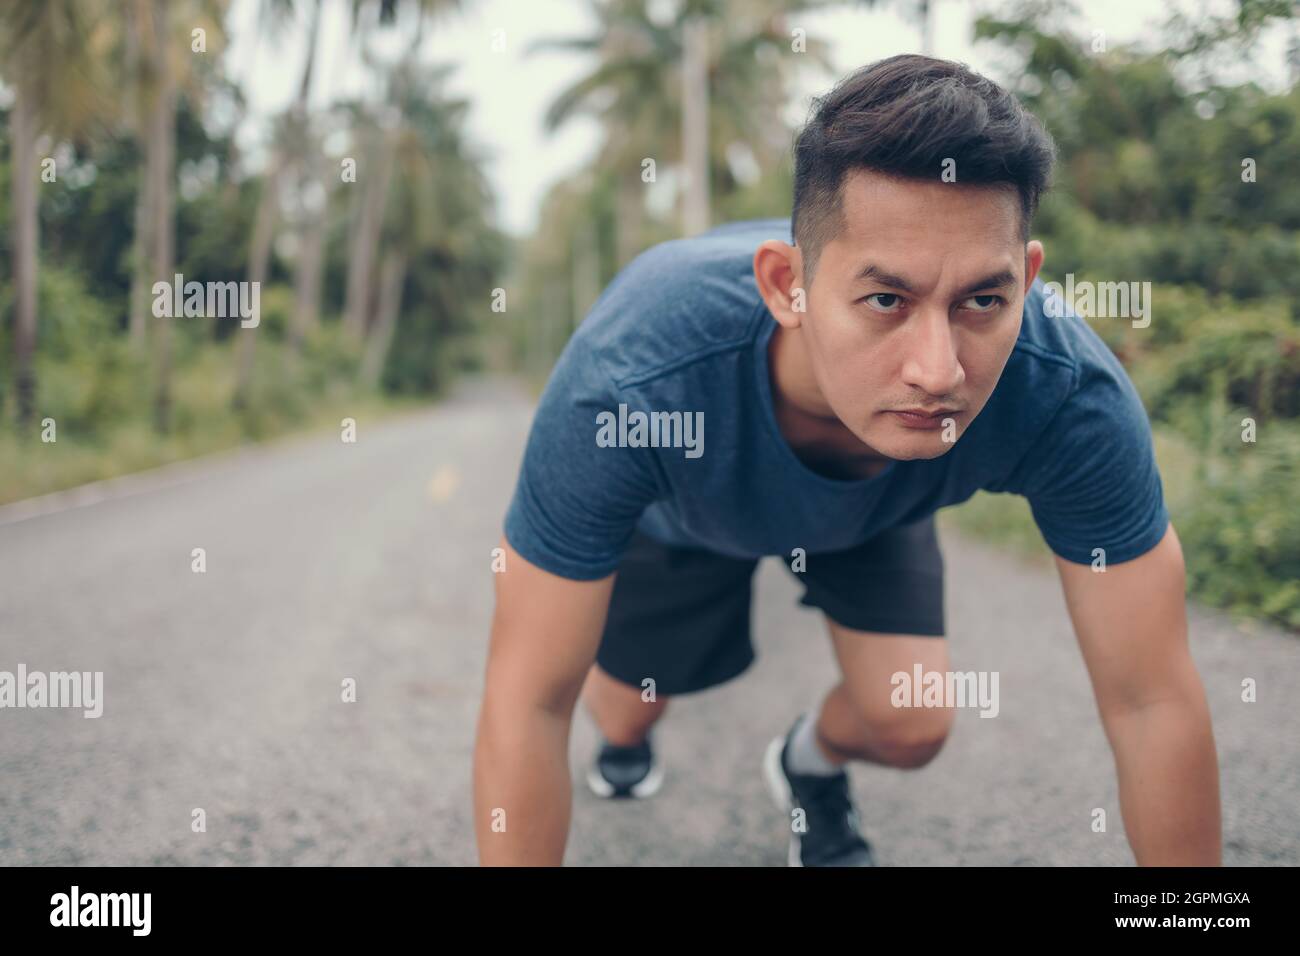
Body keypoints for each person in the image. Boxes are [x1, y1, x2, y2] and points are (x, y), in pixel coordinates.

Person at [473, 54, 1221, 867]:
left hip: (874, 510)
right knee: (620, 714)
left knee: (914, 720)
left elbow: (1152, 702)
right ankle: (628, 731)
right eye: (885, 300)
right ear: (786, 284)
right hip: (685, 510)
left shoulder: (1066, 395)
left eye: (982, 300)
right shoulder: (631, 382)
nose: (938, 373)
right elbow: (529, 702)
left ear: (1029, 279)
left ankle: (807, 764)